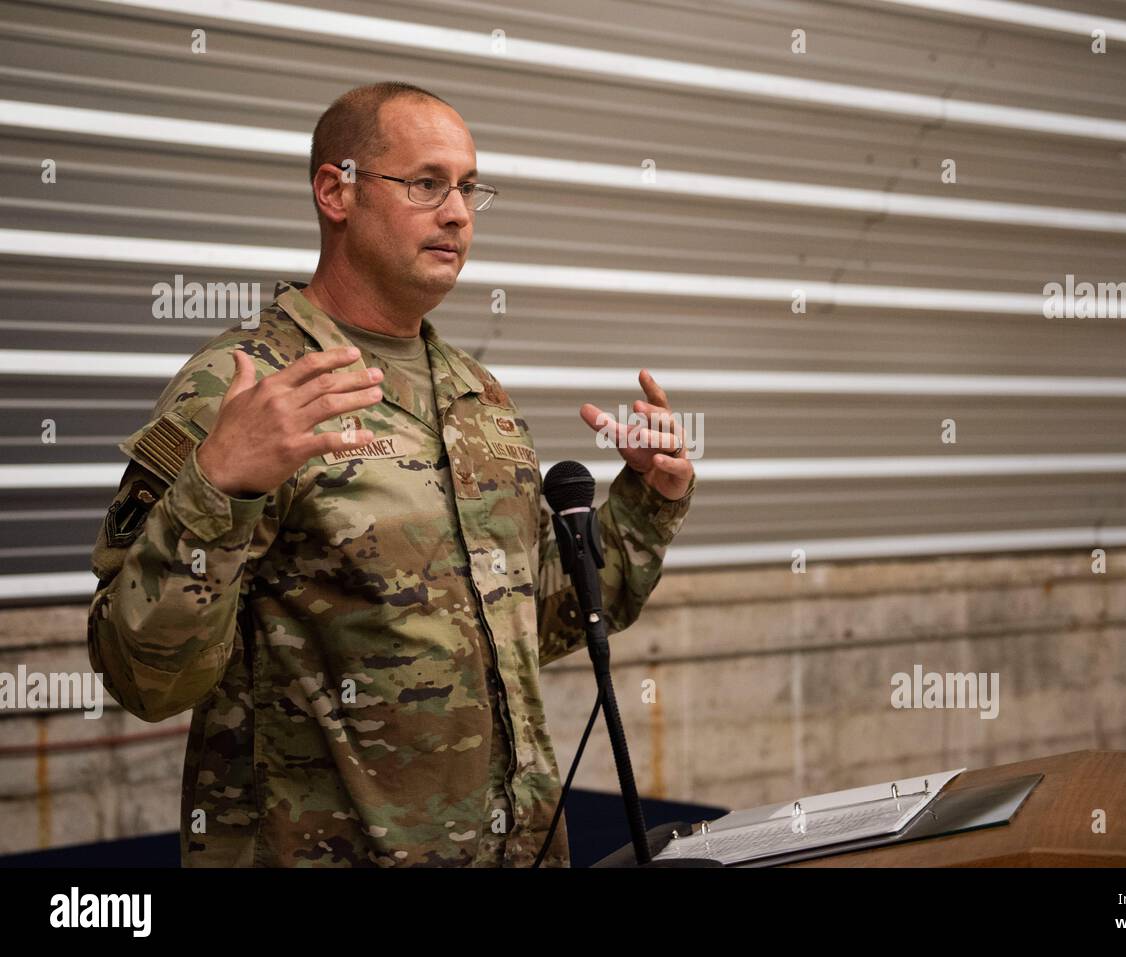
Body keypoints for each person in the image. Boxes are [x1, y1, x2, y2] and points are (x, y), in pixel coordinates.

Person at [86, 81, 696, 867]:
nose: (459, 212)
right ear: (335, 192)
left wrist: (648, 503)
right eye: (426, 183)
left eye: (471, 188)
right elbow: (141, 676)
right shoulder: (244, 387)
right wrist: (219, 487)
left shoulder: (478, 395)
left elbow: (533, 623)